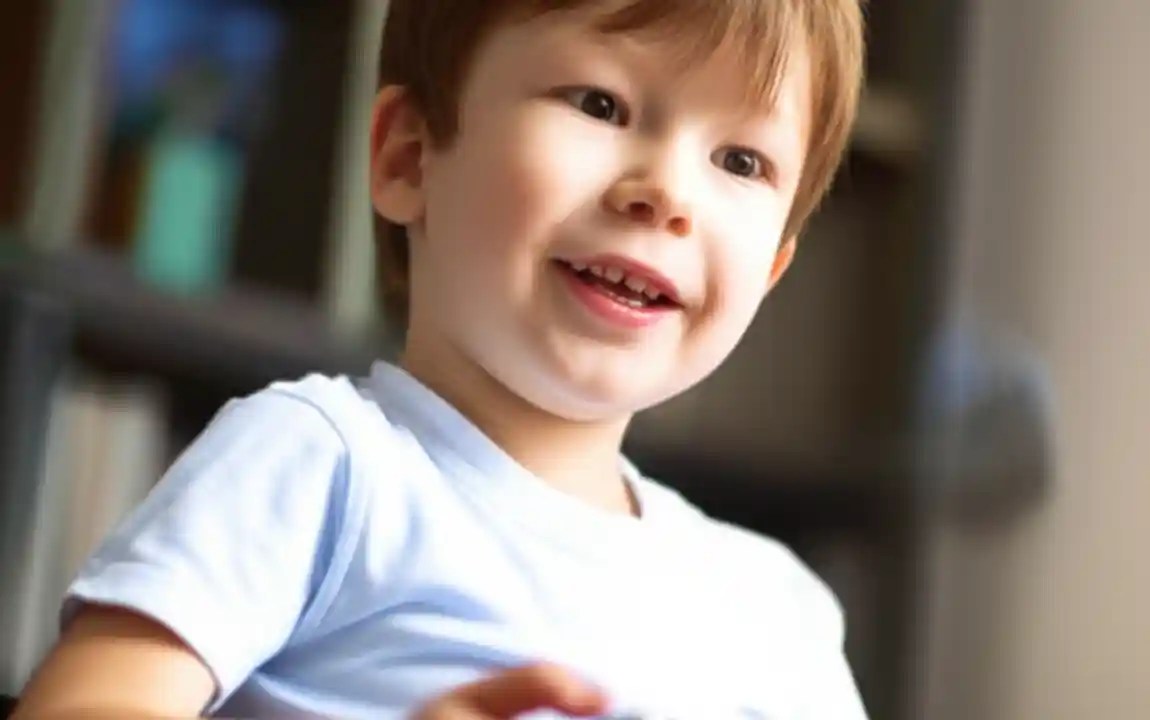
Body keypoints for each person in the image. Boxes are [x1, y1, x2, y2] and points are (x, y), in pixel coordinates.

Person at [14, 0, 867, 717]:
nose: (668, 193)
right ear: (409, 158)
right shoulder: (319, 464)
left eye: (741, 161)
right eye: (600, 105)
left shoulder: (779, 613)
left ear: (771, 270)